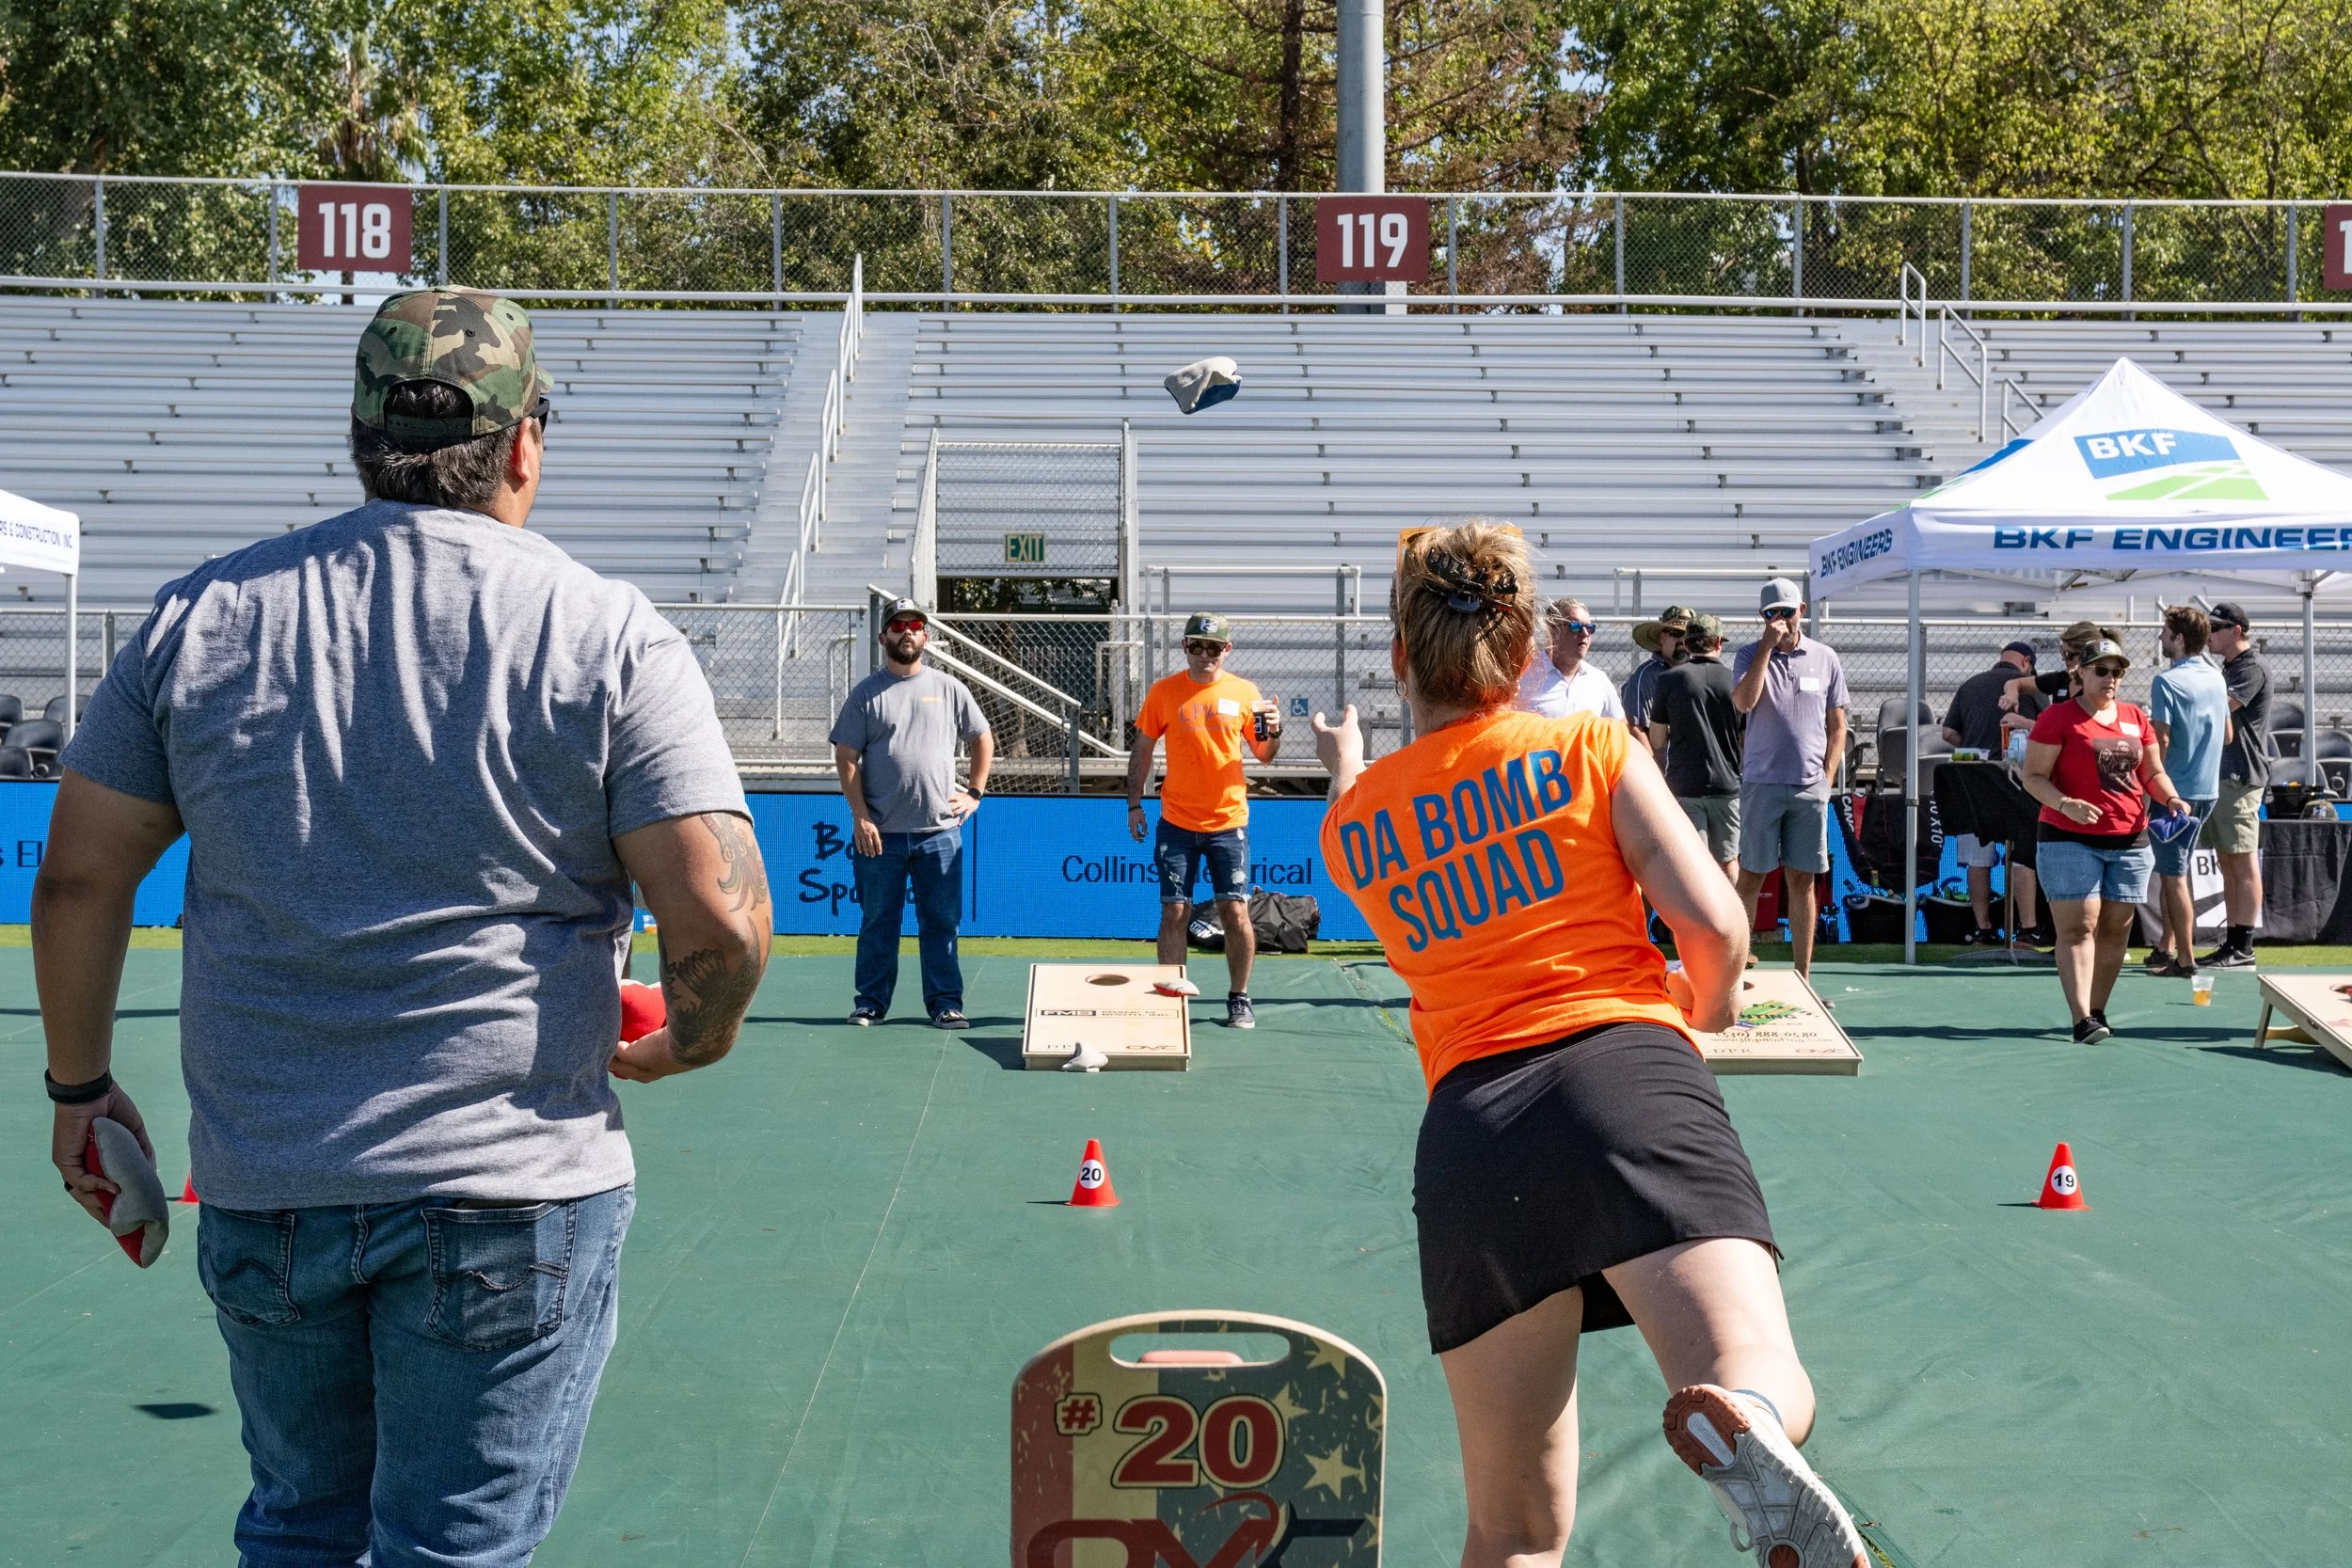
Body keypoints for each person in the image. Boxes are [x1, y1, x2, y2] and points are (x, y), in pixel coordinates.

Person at [38, 290, 772, 1566]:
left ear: (363, 440)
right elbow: (712, 907)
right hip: (508, 1180)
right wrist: (696, 1031)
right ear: (525, 445)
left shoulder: (199, 617)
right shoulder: (608, 630)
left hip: (271, 1179)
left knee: (300, 1525)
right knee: (458, 1546)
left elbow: (79, 879)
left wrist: (81, 1088)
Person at [1309, 523, 1868, 1568]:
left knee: (1514, 1528)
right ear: (1524, 654)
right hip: (1623, 1073)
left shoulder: (1354, 827)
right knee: (1754, 1365)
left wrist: (1347, 763)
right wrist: (1704, 1013)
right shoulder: (1586, 745)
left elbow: (1361, 803)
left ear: (1397, 656)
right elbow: (1715, 927)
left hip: (1472, 1134)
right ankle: (1742, 1422)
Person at [830, 597, 994, 1028]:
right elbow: (846, 756)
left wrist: (975, 793)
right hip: (880, 834)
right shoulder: (866, 693)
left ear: (925, 635)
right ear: (884, 636)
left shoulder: (948, 688)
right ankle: (870, 1003)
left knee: (941, 922)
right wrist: (861, 816)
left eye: (916, 625)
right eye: (899, 624)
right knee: (878, 922)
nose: (908, 631)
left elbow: (982, 738)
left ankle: (944, 1004)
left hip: (939, 833)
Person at [2020, 637, 2191, 1043]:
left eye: (2117, 672)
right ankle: (2081, 1019)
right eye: (2101, 670)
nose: (2110, 678)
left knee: (2117, 928)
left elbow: (2151, 772)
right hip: (2068, 836)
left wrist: (2170, 796)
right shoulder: (2058, 718)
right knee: (2081, 926)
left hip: (2130, 838)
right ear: (2079, 670)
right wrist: (2065, 804)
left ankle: (2097, 1012)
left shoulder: (2135, 716)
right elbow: (2033, 777)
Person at [1126, 612, 1281, 1028]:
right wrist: (1134, 803)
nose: (1205, 654)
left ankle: (1240, 998)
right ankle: (1171, 996)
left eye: (1214, 647)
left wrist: (1275, 730)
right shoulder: (1164, 692)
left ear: (1226, 650)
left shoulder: (1245, 692)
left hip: (1228, 822)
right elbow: (1142, 750)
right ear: (1184, 647)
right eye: (1197, 645)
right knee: (1174, 912)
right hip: (1175, 821)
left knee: (1234, 911)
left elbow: (1265, 754)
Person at [1731, 578, 1849, 976]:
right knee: (1751, 876)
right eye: (1771, 614)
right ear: (1762, 618)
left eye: (1786, 611)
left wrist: (1826, 779)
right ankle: (1736, 974)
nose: (1780, 620)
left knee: (1803, 880)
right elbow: (1744, 702)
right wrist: (1765, 647)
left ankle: (1804, 976)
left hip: (1808, 785)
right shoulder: (1749, 654)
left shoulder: (1825, 657)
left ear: (1802, 610)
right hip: (1762, 783)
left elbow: (1838, 726)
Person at [2146, 607, 2229, 979]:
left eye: (2165, 632)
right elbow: (2227, 735)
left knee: (2175, 876)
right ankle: (2168, 946)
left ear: (2179, 638)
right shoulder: (2216, 678)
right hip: (2207, 789)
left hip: (2175, 792)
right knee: (2172, 871)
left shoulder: (2167, 682)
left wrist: (2151, 778)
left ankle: (2185, 958)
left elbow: (2160, 739)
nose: (2161, 638)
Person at [1940, 640, 2042, 943]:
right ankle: (2027, 930)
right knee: (2023, 854)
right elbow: (2048, 730)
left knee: (1977, 858)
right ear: (2026, 663)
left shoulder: (1970, 684)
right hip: (2017, 781)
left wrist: (1972, 741)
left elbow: (1947, 732)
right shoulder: (2031, 689)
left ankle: (1982, 928)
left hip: (1973, 780)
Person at [2199, 602, 2269, 969]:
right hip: (2224, 775)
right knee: (2229, 861)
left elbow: (2220, 709)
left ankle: (2243, 945)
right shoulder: (2229, 668)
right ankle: (2234, 944)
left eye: (2216, 627)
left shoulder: (2250, 667)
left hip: (2240, 775)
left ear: (2237, 630)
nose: (2209, 633)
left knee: (2241, 861)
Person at [1648, 612, 1743, 879]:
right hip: (1728, 785)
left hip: (1685, 784)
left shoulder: (1669, 680)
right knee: (1729, 861)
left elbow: (1656, 739)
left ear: (1687, 645)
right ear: (1719, 643)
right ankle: (1733, 917)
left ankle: (1698, 921)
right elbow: (1744, 739)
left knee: (1695, 864)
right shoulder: (1735, 679)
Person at [1516, 598, 1625, 721]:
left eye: (1589, 627)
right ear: (1552, 629)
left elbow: (1620, 725)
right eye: (1575, 626)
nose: (1585, 633)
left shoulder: (1599, 680)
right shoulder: (1524, 677)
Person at [1619, 603, 1695, 752]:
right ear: (1662, 637)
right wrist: (1655, 768)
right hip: (1662, 766)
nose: (1682, 641)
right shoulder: (1646, 676)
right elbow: (1635, 728)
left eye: (1687, 635)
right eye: (1675, 633)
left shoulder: (1699, 671)